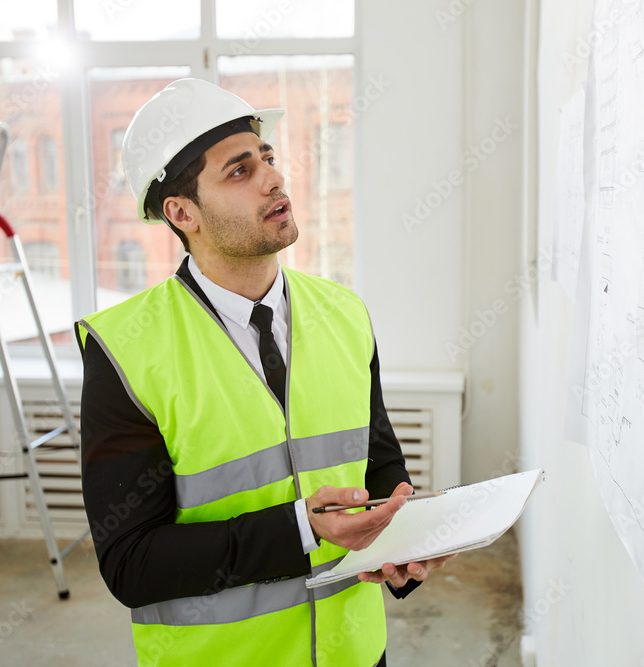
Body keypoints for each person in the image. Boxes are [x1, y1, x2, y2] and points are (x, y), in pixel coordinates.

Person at [75, 78, 452, 667]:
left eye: (268, 158)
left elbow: (377, 458)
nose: (274, 179)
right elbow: (131, 563)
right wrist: (303, 529)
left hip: (355, 652)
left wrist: (404, 539)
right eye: (239, 171)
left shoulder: (345, 313)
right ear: (181, 212)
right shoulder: (124, 351)